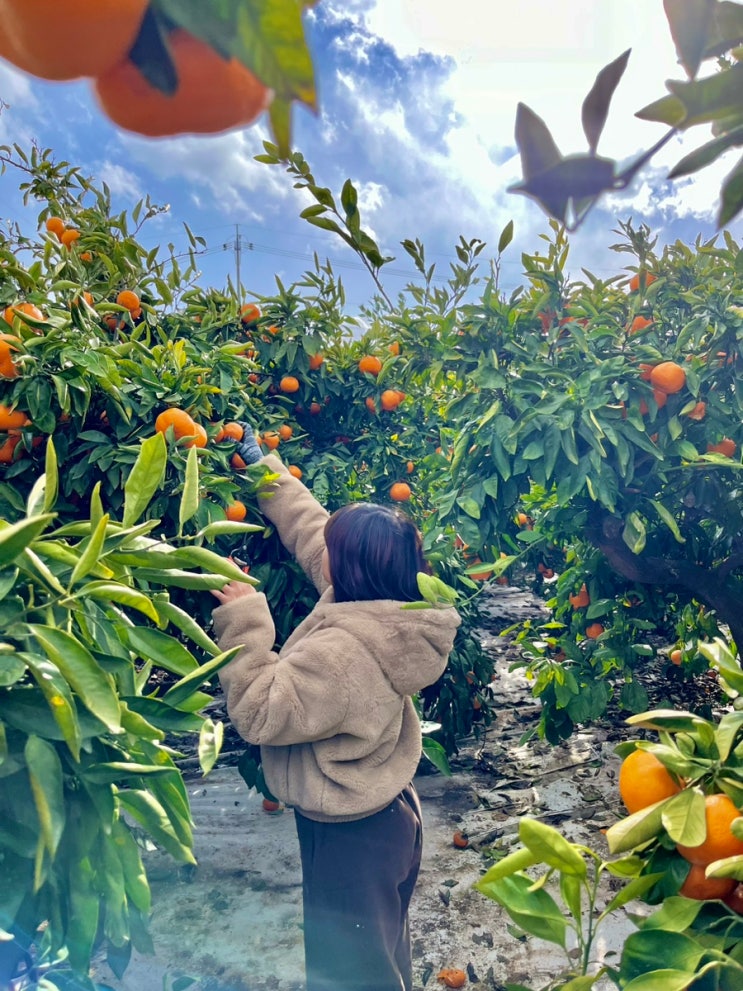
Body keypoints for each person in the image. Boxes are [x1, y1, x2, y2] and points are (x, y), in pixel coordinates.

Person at [210, 424, 460, 991]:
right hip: (386, 810)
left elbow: (259, 712)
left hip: (353, 839)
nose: (327, 552)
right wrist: (262, 468)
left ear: (351, 568)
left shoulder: (343, 654)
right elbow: (313, 531)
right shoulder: (388, 604)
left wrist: (247, 619)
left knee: (348, 975)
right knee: (378, 957)